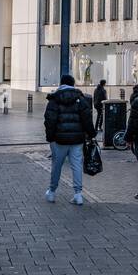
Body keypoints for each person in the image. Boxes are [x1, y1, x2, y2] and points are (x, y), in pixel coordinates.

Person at [43, 73, 95, 205]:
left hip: (59, 140)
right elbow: (87, 118)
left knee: (57, 166)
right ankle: (78, 194)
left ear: (61, 83)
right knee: (76, 165)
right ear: (72, 84)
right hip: (77, 139)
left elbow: (49, 120)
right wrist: (91, 133)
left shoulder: (54, 99)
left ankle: (52, 192)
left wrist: (50, 138)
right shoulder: (80, 98)